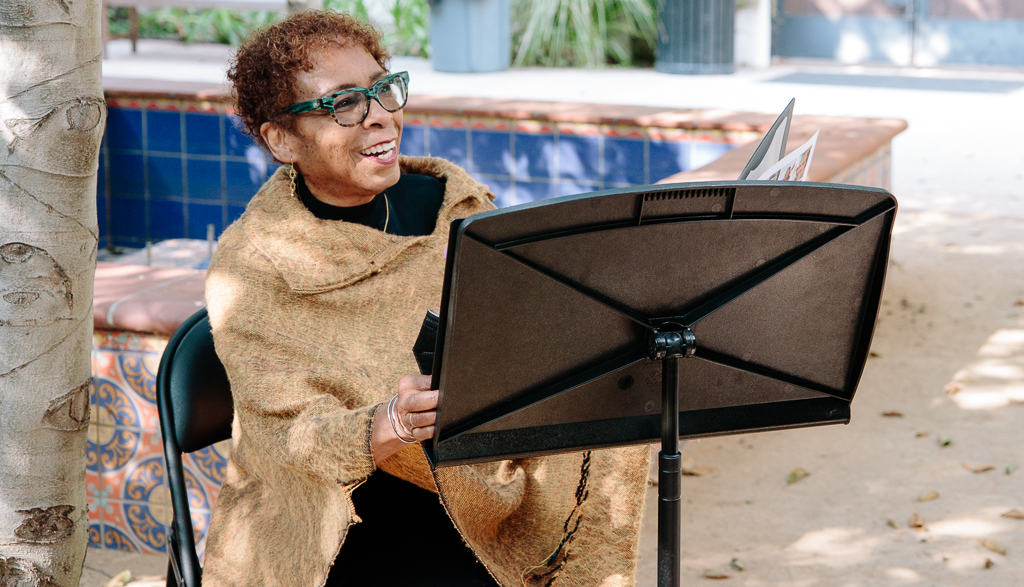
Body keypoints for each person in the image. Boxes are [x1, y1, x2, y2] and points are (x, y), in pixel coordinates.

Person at [202, 10, 651, 587]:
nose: (381, 118)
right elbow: (292, 439)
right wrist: (388, 423)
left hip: (477, 477)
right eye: (343, 104)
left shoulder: (454, 208)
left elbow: (530, 322)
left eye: (383, 90)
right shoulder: (256, 265)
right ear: (281, 139)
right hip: (343, 515)